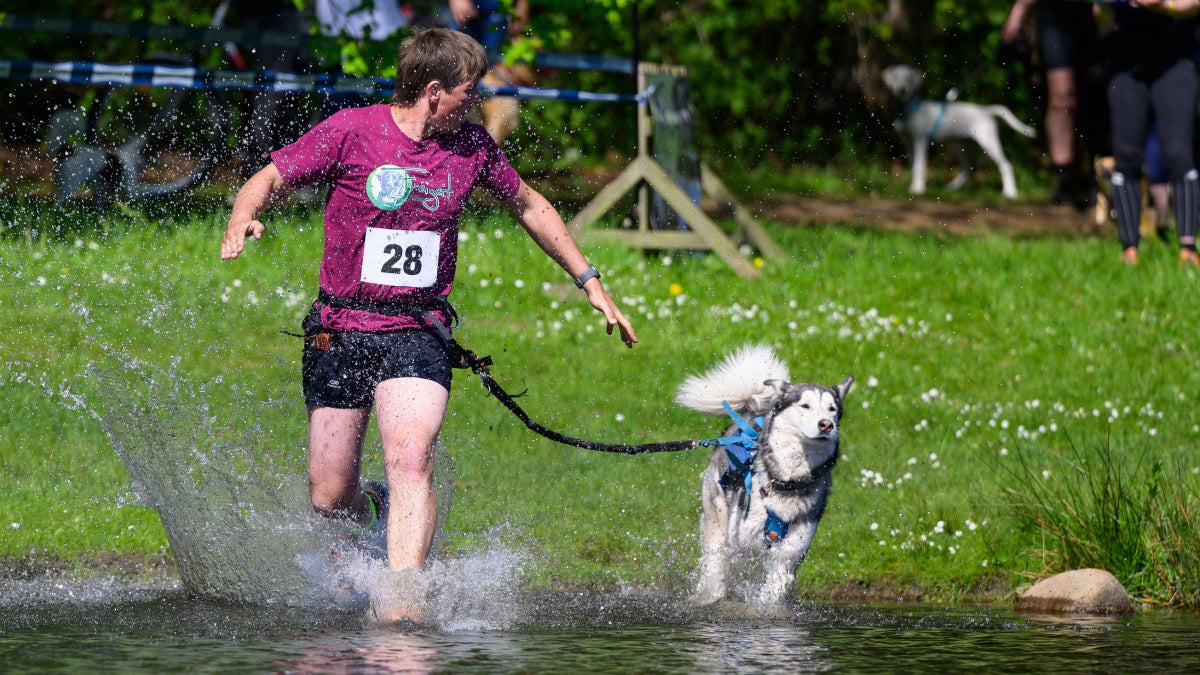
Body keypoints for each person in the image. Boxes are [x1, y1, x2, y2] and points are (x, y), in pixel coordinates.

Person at [220, 27, 637, 621]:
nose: (478, 103)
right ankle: (374, 508)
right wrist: (244, 218)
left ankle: (402, 603)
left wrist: (589, 281)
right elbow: (266, 178)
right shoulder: (351, 131)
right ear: (434, 91)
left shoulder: (470, 147)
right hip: (339, 329)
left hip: (419, 331)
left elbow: (530, 205)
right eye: (470, 92)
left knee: (412, 456)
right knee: (328, 496)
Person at [1102, 0, 1200, 266]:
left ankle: (1188, 249)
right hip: (1125, 59)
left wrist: (1161, 5)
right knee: (1126, 156)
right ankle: (1129, 250)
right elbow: (1101, 14)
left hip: (1175, 57)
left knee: (1179, 154)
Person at [1002, 0, 1099, 208]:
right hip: (1055, 16)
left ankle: (1097, 176)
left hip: (1096, 14)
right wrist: (1020, 9)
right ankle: (1065, 180)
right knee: (1062, 95)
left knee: (1095, 96)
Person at [447, 0, 533, 144]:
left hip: (497, 16)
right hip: (465, 24)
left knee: (504, 115)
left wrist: (522, 3)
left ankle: (482, 158)